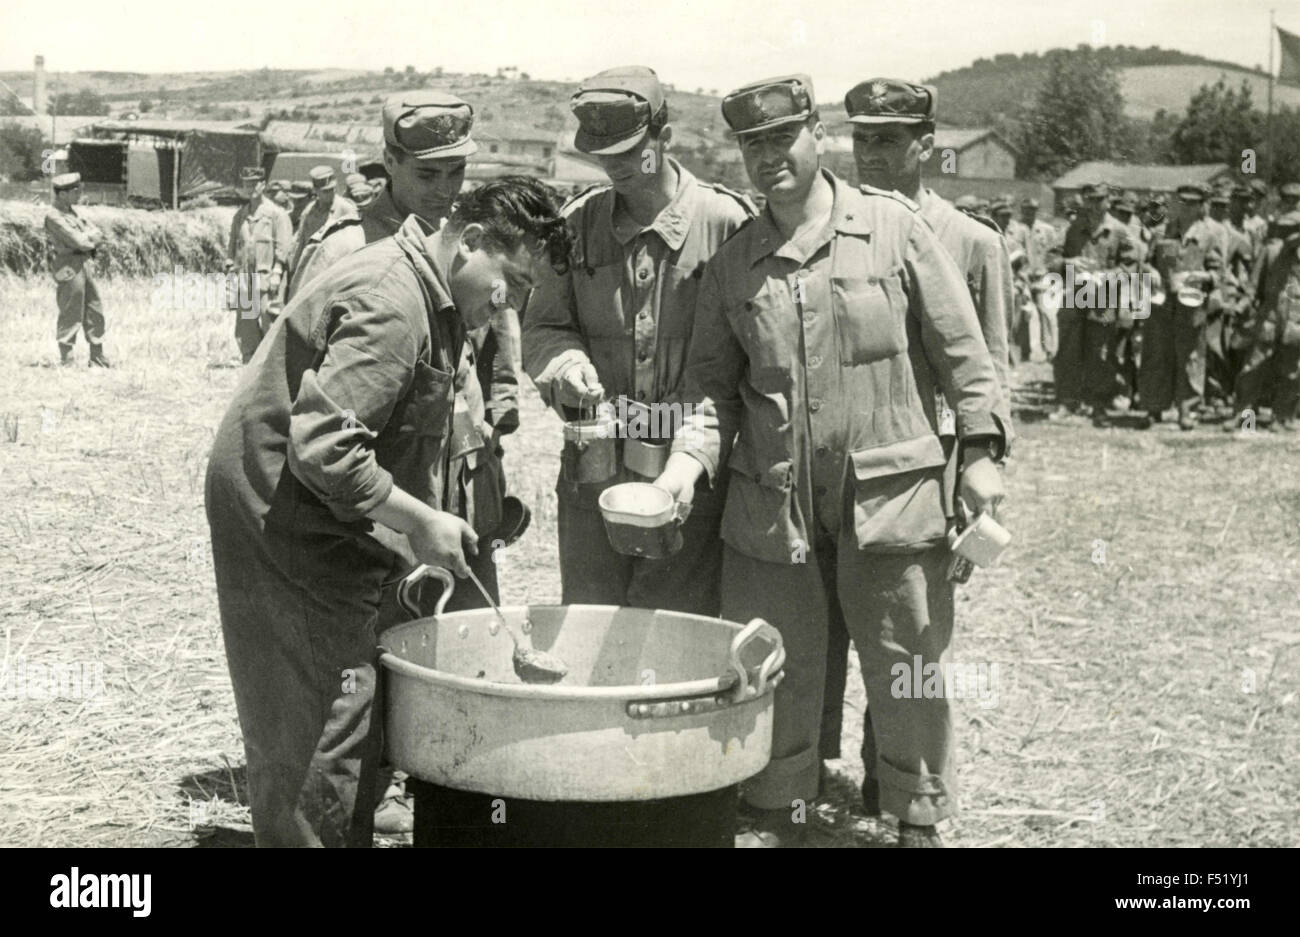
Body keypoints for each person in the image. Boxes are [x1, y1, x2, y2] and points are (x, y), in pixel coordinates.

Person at [653, 74, 1006, 848]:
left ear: (818, 135)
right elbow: (711, 396)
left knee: (907, 662)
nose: (769, 158)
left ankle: (916, 815)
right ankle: (784, 807)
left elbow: (968, 363)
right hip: (773, 505)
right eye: (753, 146)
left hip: (891, 499)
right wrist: (682, 471)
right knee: (776, 660)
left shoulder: (894, 231)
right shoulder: (737, 262)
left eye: (782, 138)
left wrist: (981, 457)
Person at [203, 176, 569, 847]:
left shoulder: (439, 296)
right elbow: (325, 448)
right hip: (283, 508)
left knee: (354, 697)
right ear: (474, 242)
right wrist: (420, 522)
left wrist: (421, 520)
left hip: (323, 508)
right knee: (325, 714)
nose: (509, 305)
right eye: (510, 284)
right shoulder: (395, 300)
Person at [826, 76, 1013, 811]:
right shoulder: (836, 226)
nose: (867, 153)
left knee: (911, 635)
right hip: (848, 464)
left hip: (927, 475)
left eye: (886, 140)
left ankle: (898, 785)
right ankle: (809, 775)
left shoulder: (971, 241)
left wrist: (981, 471)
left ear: (926, 147)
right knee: (831, 626)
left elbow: (987, 372)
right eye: (859, 138)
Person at [523, 66, 754, 615]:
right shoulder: (576, 225)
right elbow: (545, 327)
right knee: (588, 620)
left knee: (672, 633)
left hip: (685, 472)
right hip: (593, 468)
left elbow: (741, 364)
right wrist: (566, 367)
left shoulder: (725, 224)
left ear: (665, 137)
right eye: (603, 156)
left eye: (630, 151)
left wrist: (691, 456)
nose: (616, 168)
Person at [1137, 184, 1226, 430]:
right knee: (1157, 354)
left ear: (1200, 207)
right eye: (1182, 202)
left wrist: (1202, 277)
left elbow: (1219, 273)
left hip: (1191, 304)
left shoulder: (1208, 237)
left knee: (1191, 356)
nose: (1186, 208)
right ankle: (1154, 407)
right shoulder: (1161, 232)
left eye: (1192, 203)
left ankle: (1187, 409)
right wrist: (1152, 272)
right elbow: (1144, 264)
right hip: (1163, 303)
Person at [1051, 182, 1140, 426]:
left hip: (1103, 298)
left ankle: (1098, 404)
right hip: (1076, 295)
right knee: (1069, 350)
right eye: (1089, 200)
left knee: (1100, 354)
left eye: (1099, 200)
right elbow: (1052, 258)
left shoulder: (1121, 231)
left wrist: (1107, 277)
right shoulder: (1073, 229)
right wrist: (1070, 263)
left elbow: (1131, 267)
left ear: (1108, 201)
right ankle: (1067, 402)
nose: (1094, 205)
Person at [1224, 211, 1300, 433]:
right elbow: (1253, 285)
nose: (1287, 235)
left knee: (1291, 372)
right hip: (1269, 318)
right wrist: (1241, 306)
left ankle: (1282, 417)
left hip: (1295, 320)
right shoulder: (1270, 252)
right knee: (1253, 369)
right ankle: (1245, 417)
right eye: (1284, 230)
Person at [226, 166, 293, 364]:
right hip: (246, 277)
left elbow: (284, 246)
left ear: (262, 185)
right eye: (246, 184)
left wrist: (277, 272)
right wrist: (231, 271)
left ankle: (273, 364)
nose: (250, 188)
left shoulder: (276, 214)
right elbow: (232, 247)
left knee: (269, 319)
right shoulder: (240, 216)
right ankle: (249, 361)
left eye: (254, 184)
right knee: (247, 324)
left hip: (267, 278)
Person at [45, 172, 110, 368]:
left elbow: (100, 234)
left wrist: (88, 239)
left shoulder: (74, 213)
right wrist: (89, 239)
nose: (79, 194)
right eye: (75, 191)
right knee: (71, 310)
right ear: (62, 194)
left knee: (94, 308)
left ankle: (97, 356)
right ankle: (67, 358)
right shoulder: (54, 216)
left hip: (83, 263)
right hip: (68, 266)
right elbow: (79, 242)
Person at [288, 166, 355, 280]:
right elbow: (301, 242)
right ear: (316, 190)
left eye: (332, 189)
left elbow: (354, 245)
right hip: (310, 271)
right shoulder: (309, 211)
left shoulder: (346, 209)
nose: (330, 194)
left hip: (335, 271)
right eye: (325, 191)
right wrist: (294, 270)